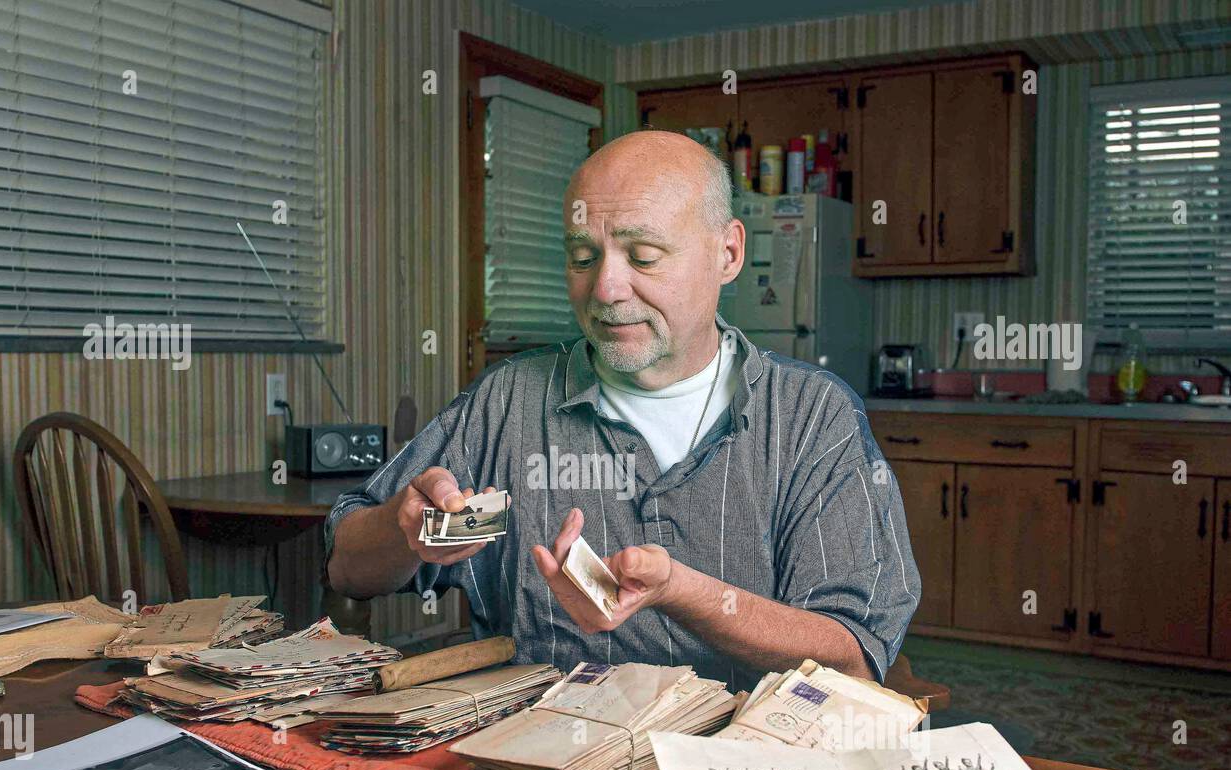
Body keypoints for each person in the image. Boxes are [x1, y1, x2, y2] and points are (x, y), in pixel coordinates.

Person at [326, 130, 920, 688]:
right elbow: (347, 567)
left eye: (643, 256)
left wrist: (679, 591)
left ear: (729, 254)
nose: (606, 288)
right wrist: (404, 530)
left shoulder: (812, 417)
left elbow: (853, 656)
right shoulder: (508, 401)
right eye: (584, 258)